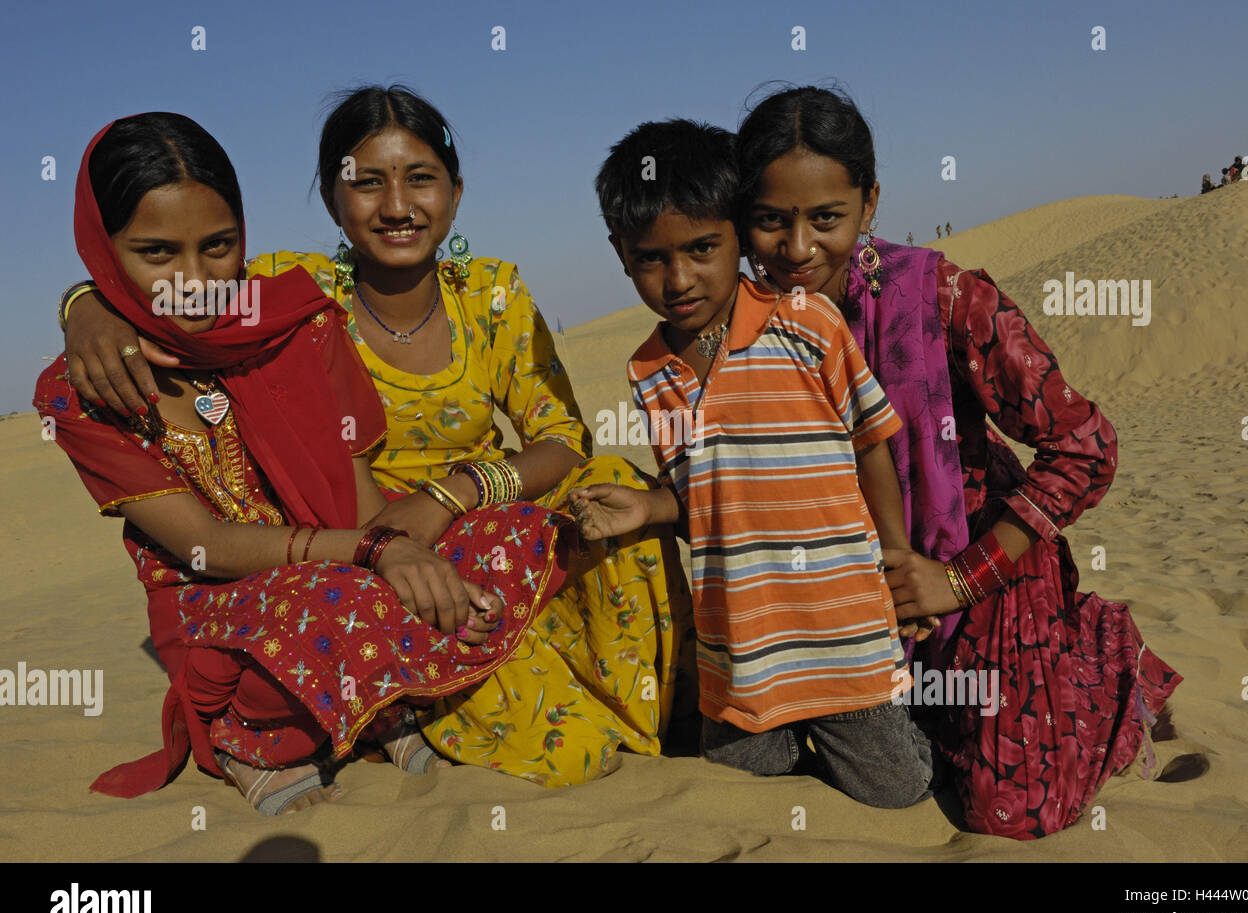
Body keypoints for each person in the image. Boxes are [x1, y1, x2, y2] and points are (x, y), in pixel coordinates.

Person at [59, 86, 694, 788]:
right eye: (366, 182)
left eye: (421, 178)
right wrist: (85, 305)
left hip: (460, 520)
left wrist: (451, 495)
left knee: (617, 486)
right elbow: (166, 284)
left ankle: (661, 709)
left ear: (456, 191)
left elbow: (562, 439)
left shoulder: (491, 293)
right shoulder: (291, 291)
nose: (396, 205)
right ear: (332, 199)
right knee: (559, 742)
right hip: (354, 537)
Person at [733, 85, 1181, 839]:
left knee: (1009, 808)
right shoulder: (743, 326)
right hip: (844, 582)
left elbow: (1086, 445)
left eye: (827, 218)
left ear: (869, 205)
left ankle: (1104, 652)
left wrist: (957, 579)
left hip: (978, 560)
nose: (800, 248)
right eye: (772, 221)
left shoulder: (944, 301)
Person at [574, 118, 936, 809]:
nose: (679, 278)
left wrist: (894, 558)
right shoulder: (649, 372)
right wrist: (651, 505)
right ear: (621, 254)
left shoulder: (808, 325)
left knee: (894, 791)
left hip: (842, 631)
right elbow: (699, 490)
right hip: (738, 639)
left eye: (703, 248)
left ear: (738, 234)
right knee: (744, 785)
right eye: (651, 257)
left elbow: (870, 444)